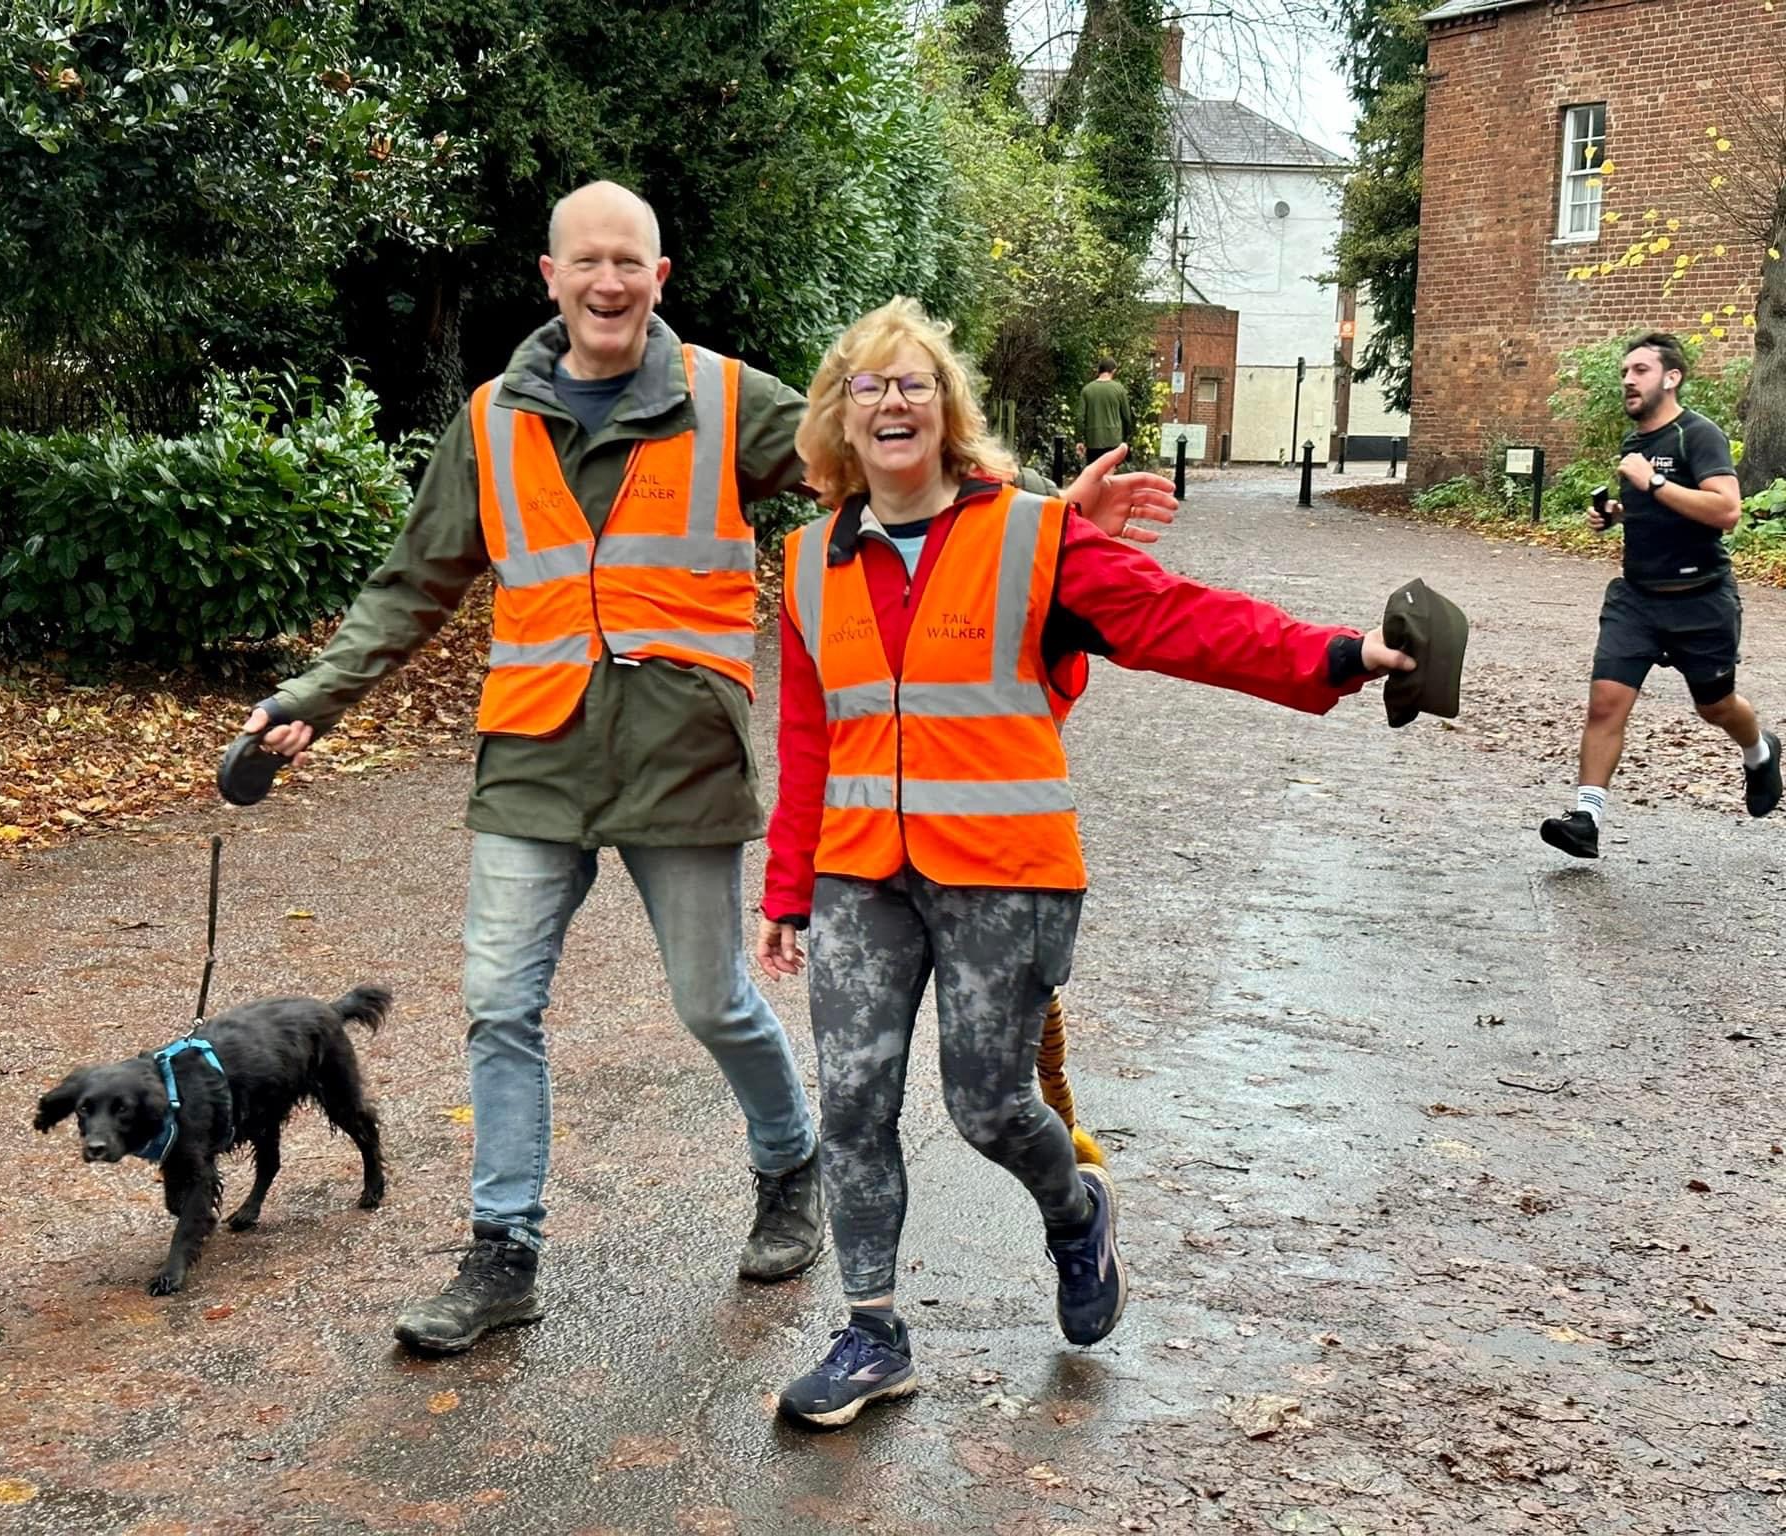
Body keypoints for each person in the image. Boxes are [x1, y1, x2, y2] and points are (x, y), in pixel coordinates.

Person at [237, 184, 1139, 1356]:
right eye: (585, 263)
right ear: (548, 277)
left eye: (629, 263)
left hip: (680, 757)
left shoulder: (724, 400)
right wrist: (312, 697)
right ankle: (502, 1250)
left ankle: (787, 1163)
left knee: (711, 1000)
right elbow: (412, 580)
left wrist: (1030, 524)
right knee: (499, 1006)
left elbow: (876, 459)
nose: (607, 283)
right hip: (535, 756)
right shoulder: (490, 420)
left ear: (658, 279)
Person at [753, 297, 1414, 1429]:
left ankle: (1074, 1215)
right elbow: (810, 733)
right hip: (863, 873)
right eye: (868, 385)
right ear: (839, 419)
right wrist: (786, 883)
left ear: (948, 410)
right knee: (852, 1106)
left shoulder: (1031, 534)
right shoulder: (812, 560)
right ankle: (871, 1333)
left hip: (1001, 872)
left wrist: (1340, 654)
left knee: (989, 1106)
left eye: (913, 382)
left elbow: (1177, 621)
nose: (892, 400)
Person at [1540, 332, 1779, 858]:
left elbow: (1726, 511)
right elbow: (1661, 507)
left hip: (1701, 599)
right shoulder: (1636, 445)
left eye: (1641, 370)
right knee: (1605, 703)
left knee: (1715, 708)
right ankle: (1586, 817)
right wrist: (1617, 514)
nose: (1628, 379)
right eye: (1625, 370)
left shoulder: (1699, 435)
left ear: (1671, 378)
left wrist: (1652, 485)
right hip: (1637, 599)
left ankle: (1760, 752)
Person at [1078, 356, 1131, 466]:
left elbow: (1080, 417)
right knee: (1110, 474)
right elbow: (1126, 417)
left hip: (1093, 440)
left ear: (1099, 370)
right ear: (1114, 370)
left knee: (1094, 474)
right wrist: (1125, 438)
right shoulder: (1119, 389)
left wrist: (1079, 439)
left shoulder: (1087, 390)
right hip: (1114, 439)